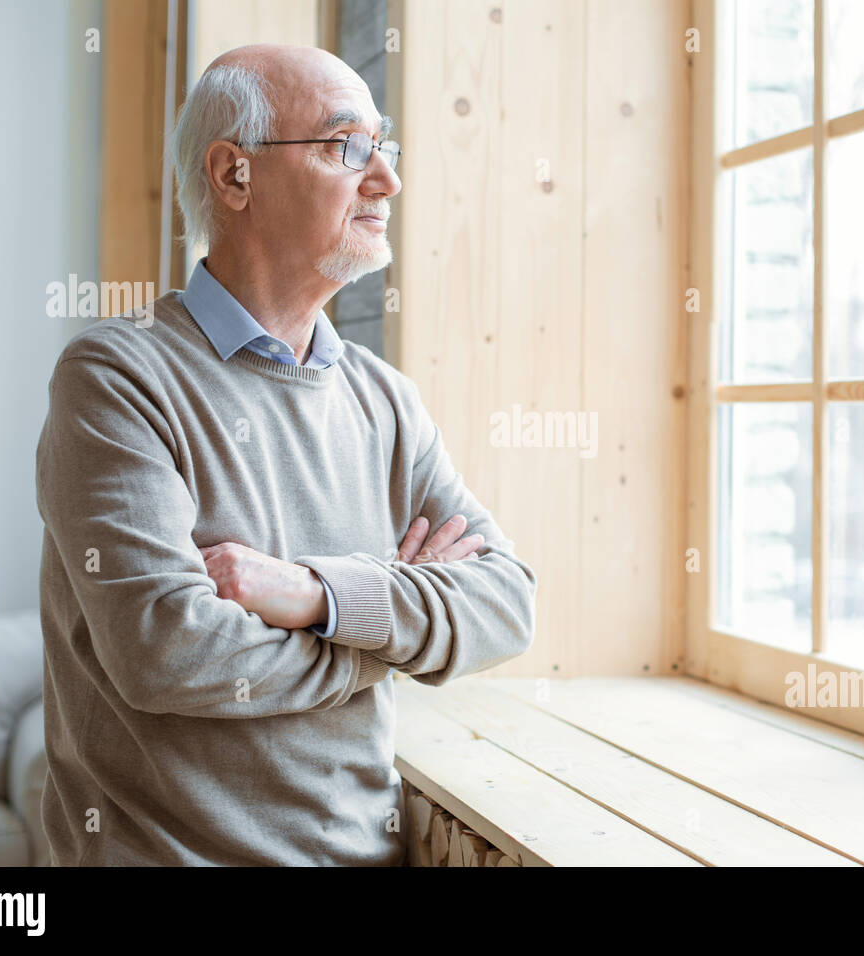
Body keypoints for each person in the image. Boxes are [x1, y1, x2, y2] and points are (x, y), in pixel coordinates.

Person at [35, 43, 536, 865]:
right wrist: (387, 631)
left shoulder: (385, 400)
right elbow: (167, 652)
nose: (387, 180)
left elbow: (507, 603)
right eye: (346, 147)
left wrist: (311, 593)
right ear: (235, 176)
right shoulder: (116, 379)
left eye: (386, 147)